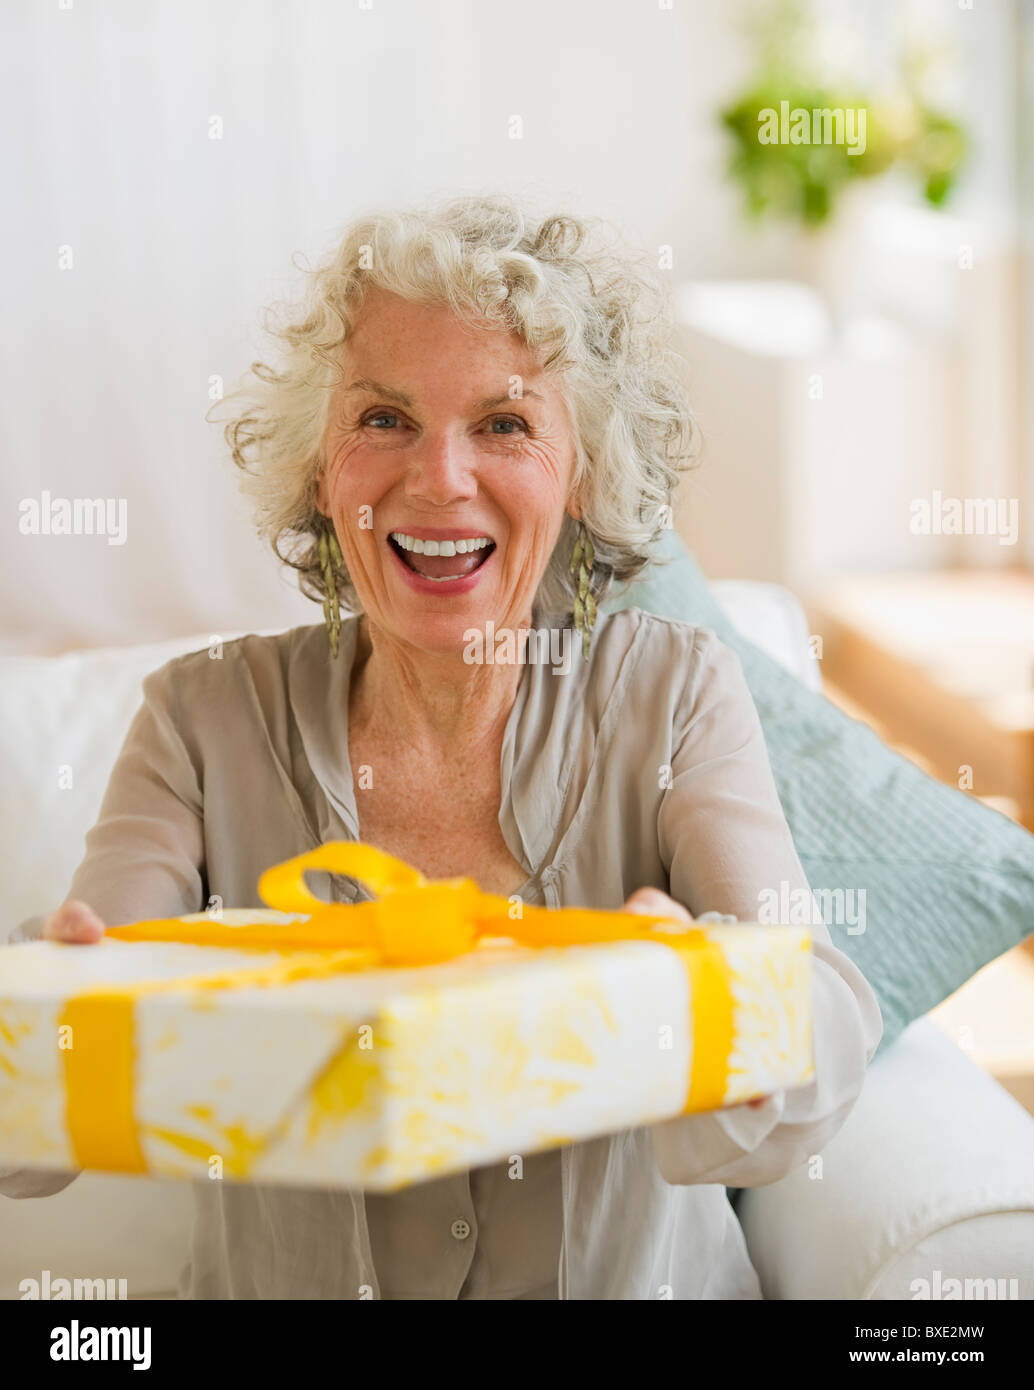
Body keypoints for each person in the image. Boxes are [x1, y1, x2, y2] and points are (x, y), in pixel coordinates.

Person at [1, 196, 882, 1299]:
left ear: (581, 478)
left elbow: (824, 1022)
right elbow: (36, 1121)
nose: (439, 478)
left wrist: (700, 993)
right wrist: (50, 1008)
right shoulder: (201, 720)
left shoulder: (671, 695)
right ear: (320, 470)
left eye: (504, 425)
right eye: (383, 419)